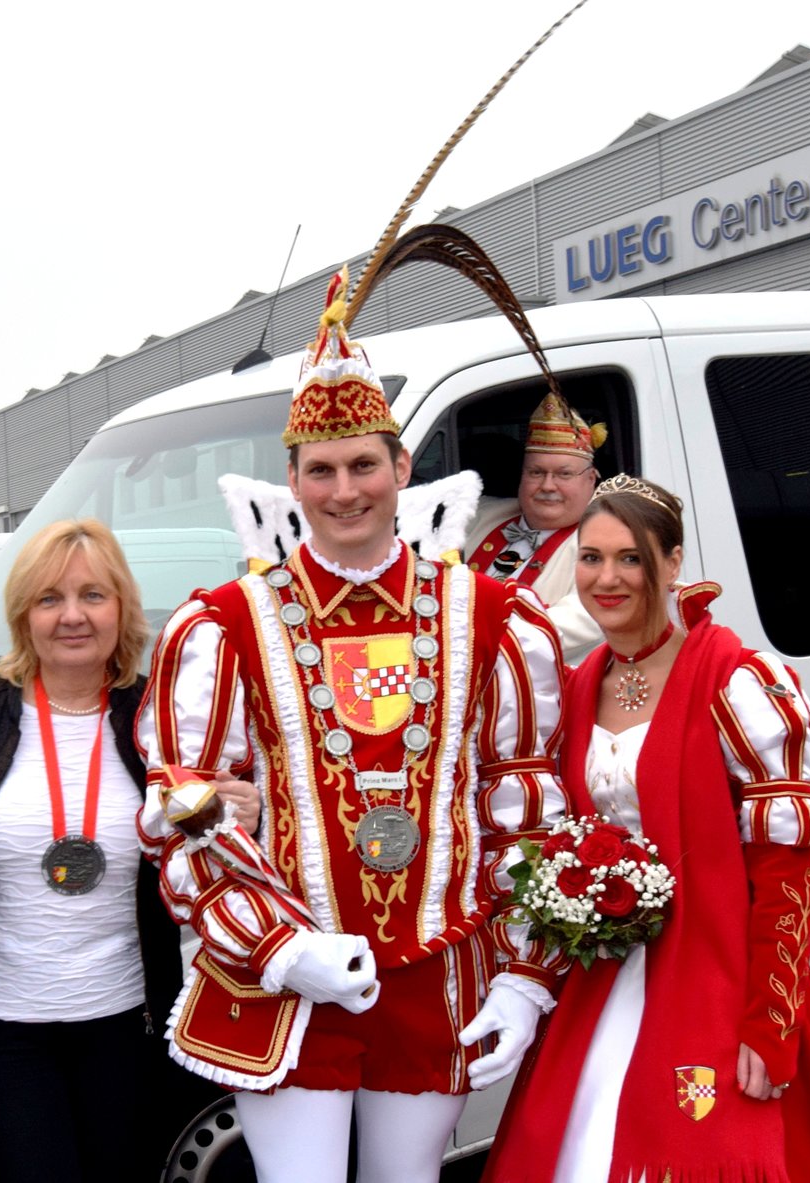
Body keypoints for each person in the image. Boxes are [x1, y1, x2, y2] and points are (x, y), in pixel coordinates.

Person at [137, 276, 571, 1183]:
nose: (345, 490)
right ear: (290, 480)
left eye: (364, 464)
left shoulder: (494, 617)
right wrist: (283, 946)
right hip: (287, 976)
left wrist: (526, 975)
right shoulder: (221, 624)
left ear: (402, 468)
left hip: (437, 971)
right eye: (322, 470)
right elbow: (179, 821)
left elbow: (525, 808)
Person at [482, 475, 810, 1183]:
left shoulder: (735, 678)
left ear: (672, 562)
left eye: (631, 558)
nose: (606, 578)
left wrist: (772, 1023)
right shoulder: (581, 685)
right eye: (590, 557)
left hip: (720, 976)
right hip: (605, 978)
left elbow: (784, 867)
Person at [0, 518, 209, 1180]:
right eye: (49, 599)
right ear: (23, 614)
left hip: (128, 1020)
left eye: (92, 596)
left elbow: (204, 833)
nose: (71, 616)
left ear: (122, 607)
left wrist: (225, 810)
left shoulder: (161, 719)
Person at [463, 393, 604, 662]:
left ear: (591, 479)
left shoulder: (601, 545)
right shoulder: (484, 513)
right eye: (536, 473)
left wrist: (467, 637)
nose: (548, 485)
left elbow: (577, 624)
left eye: (563, 474)